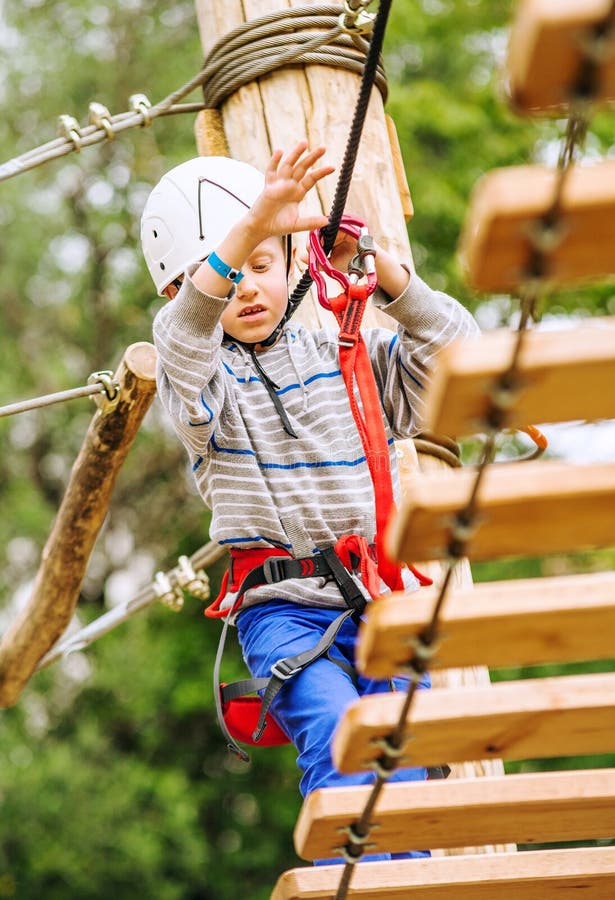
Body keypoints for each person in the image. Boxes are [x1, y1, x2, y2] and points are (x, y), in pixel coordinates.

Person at [141, 142, 479, 862]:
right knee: (337, 740)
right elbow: (181, 343)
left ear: (294, 261)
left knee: (402, 771)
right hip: (285, 611)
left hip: (376, 599)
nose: (249, 290)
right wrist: (254, 223)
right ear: (185, 291)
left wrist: (380, 270)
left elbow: (460, 352)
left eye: (264, 266)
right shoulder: (204, 389)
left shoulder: (346, 350)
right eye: (231, 278)